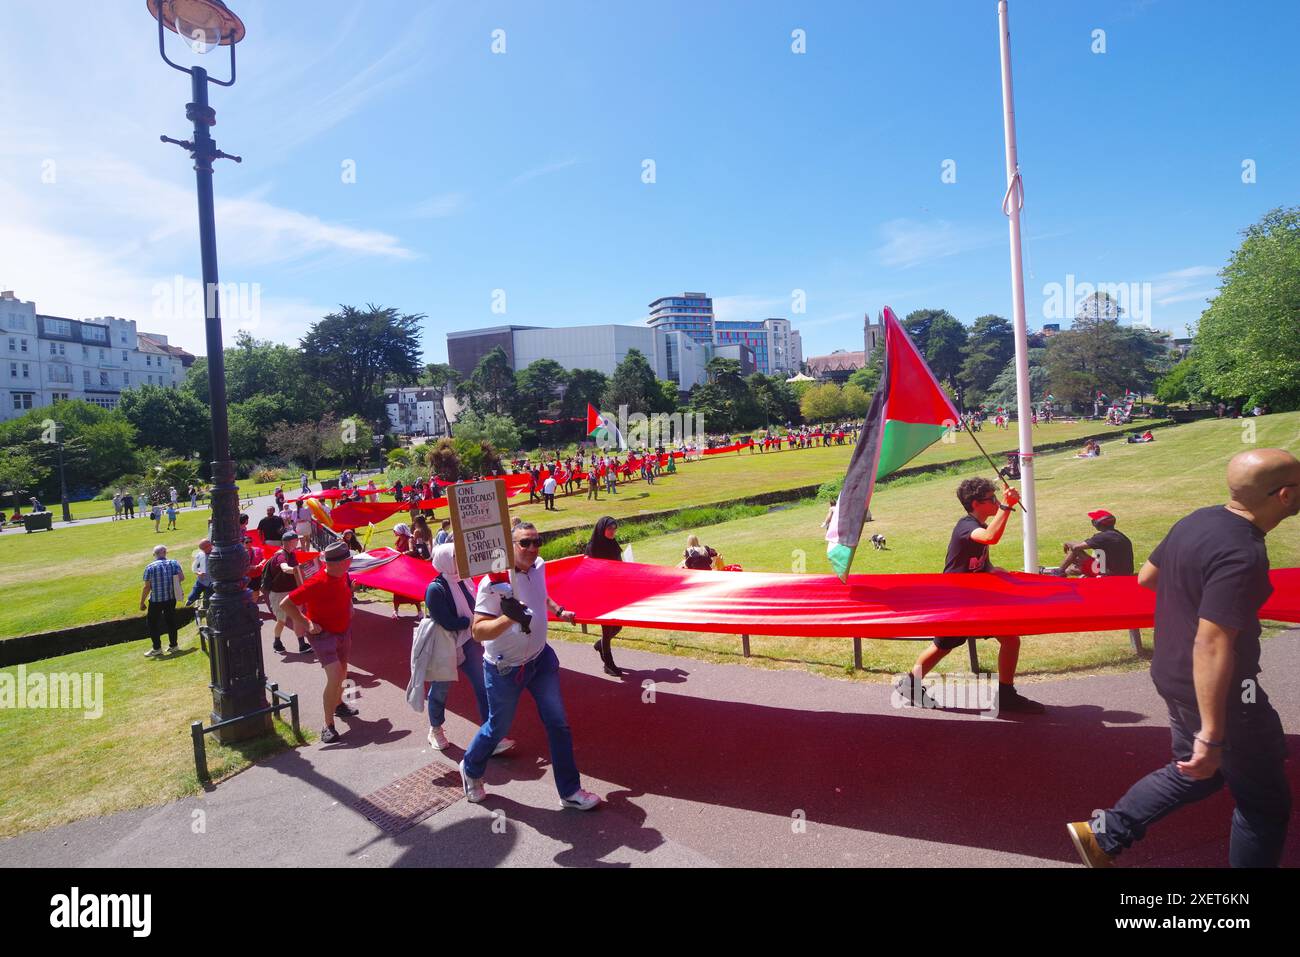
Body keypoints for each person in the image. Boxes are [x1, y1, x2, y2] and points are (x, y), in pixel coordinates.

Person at [1069, 448, 1300, 868]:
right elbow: (1212, 645)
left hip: (1171, 673)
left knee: (1199, 770)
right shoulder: (1243, 554)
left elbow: (1147, 577)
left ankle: (1105, 832)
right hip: (1225, 690)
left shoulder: (1199, 518)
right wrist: (1212, 734)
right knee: (1264, 803)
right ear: (1284, 495)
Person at [458, 522, 601, 810]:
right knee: (497, 728)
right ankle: (471, 768)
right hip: (505, 669)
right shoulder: (493, 584)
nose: (533, 548)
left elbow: (540, 595)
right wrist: (508, 619)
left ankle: (569, 791)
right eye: (525, 543)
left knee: (558, 724)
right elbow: (478, 632)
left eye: (538, 541)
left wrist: (559, 610)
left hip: (540, 659)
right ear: (510, 546)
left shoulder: (540, 566)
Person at [894, 477, 1044, 714]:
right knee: (943, 645)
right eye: (991, 499)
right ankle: (910, 685)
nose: (995, 501)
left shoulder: (980, 525)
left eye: (996, 498)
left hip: (975, 599)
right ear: (976, 503)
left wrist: (992, 569)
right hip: (956, 601)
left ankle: (1006, 694)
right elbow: (990, 538)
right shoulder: (966, 526)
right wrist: (1006, 507)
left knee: (1010, 639)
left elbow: (980, 554)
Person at [419, 544, 516, 754]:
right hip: (447, 647)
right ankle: (435, 729)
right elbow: (445, 620)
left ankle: (492, 736)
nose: (462, 561)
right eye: (456, 557)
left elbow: (478, 606)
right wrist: (470, 622)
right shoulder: (435, 589)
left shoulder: (465, 580)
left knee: (484, 687)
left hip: (469, 643)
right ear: (445, 560)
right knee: (440, 691)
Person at [281, 540, 358, 744]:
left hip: (343, 630)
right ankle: (328, 725)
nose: (350, 561)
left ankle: (340, 703)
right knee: (334, 676)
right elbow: (286, 604)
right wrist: (306, 623)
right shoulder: (316, 582)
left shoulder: (342, 575)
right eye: (348, 559)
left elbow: (342, 592)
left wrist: (350, 602)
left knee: (343, 671)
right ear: (340, 563)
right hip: (323, 635)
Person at [585, 516, 625, 676]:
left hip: (615, 590)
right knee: (607, 628)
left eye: (615, 529)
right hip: (600, 593)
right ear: (602, 529)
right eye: (610, 529)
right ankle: (608, 664)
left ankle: (600, 645)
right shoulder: (593, 547)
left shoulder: (613, 545)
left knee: (618, 625)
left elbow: (620, 565)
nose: (613, 532)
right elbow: (588, 570)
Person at [262, 529, 312, 654]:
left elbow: (296, 565)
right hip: (279, 594)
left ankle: (302, 644)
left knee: (297, 617)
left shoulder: (292, 554)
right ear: (290, 542)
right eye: (296, 540)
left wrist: (304, 567)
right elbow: (285, 568)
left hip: (292, 591)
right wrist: (296, 570)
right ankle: (277, 642)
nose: (298, 542)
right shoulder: (280, 555)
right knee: (281, 620)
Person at [1045, 509, 1134, 578]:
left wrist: (1068, 543)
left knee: (1075, 551)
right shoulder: (1118, 535)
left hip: (1109, 574)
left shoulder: (1102, 537)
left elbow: (1076, 548)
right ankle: (1056, 572)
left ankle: (1059, 571)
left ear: (1097, 523)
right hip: (1123, 572)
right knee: (1075, 566)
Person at [140, 544, 185, 657]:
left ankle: (157, 648)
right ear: (165, 553)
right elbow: (182, 578)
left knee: (152, 623)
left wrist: (142, 602)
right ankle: (174, 646)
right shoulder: (174, 563)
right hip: (171, 598)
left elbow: (147, 587)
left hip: (156, 600)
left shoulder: (150, 567)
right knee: (170, 621)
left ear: (154, 554)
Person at [185, 539, 214, 607]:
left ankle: (207, 607)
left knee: (209, 597)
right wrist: (198, 573)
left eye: (204, 548)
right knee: (194, 594)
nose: (203, 550)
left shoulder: (217, 553)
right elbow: (194, 567)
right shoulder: (200, 555)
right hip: (201, 580)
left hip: (212, 582)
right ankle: (190, 601)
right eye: (202, 549)